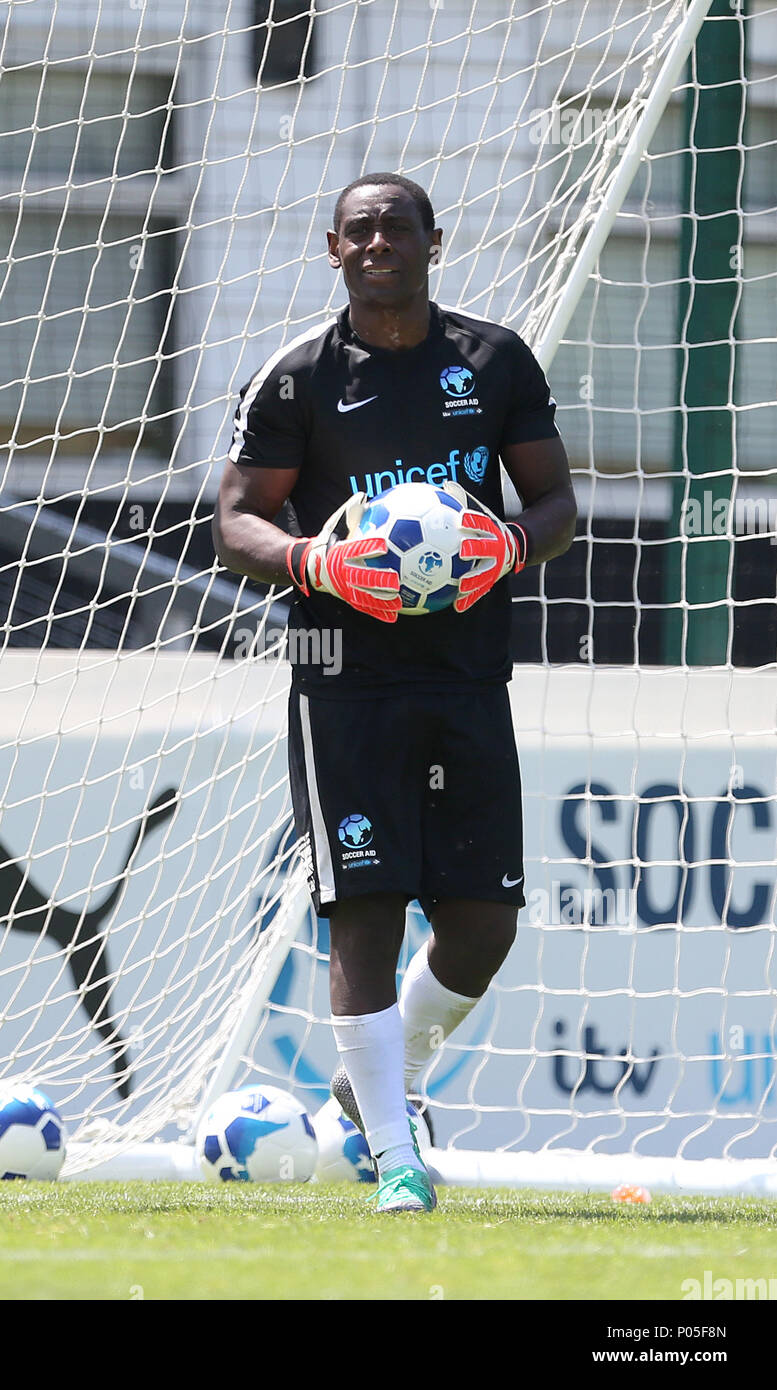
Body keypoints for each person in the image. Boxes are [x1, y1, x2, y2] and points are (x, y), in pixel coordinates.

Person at [212, 172, 576, 1213]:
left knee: (480, 923)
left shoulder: (492, 360)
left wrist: (505, 539)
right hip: (343, 678)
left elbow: (553, 501)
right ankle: (395, 1154)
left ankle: (378, 1079)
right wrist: (311, 565)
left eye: (397, 228)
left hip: (466, 670)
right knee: (361, 909)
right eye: (358, 231)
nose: (378, 243)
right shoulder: (296, 378)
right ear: (332, 248)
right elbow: (235, 519)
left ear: (432, 241)